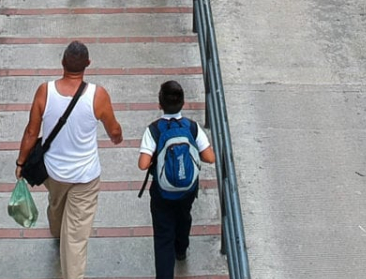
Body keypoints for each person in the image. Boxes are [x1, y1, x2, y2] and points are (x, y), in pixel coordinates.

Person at [16, 42, 122, 279]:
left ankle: (56, 231)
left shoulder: (45, 91)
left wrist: (21, 162)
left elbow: (31, 132)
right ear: (88, 65)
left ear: (62, 63)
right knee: (75, 238)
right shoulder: (98, 95)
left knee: (56, 205)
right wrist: (117, 136)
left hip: (53, 172)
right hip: (86, 177)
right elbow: (114, 130)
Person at [138, 79, 216, 279]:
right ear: (183, 103)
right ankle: (181, 249)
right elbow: (209, 157)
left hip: (162, 192)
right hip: (187, 189)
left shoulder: (154, 130)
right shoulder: (192, 127)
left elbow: (143, 164)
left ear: (160, 104)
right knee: (184, 217)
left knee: (163, 235)